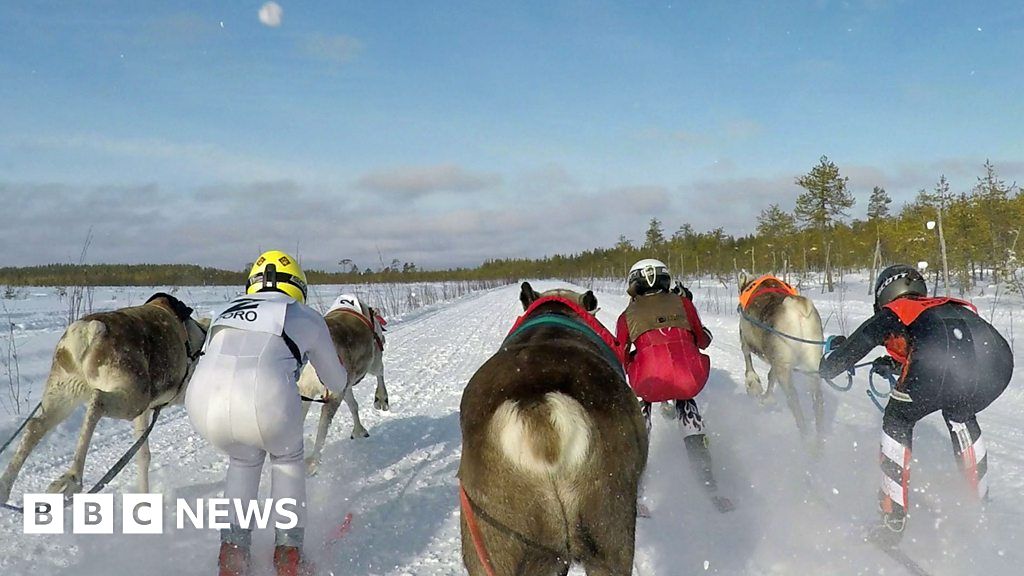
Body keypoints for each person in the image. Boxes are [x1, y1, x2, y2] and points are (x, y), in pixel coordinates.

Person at [819, 264, 1013, 545]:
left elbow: (839, 360)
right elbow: (949, 348)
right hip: (997, 366)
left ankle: (892, 520)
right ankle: (978, 507)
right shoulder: (943, 307)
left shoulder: (895, 311)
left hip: (942, 365)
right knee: (960, 413)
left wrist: (829, 360)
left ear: (885, 293)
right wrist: (896, 365)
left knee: (897, 419)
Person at [186, 250, 350, 576]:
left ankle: (233, 554)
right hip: (265, 401)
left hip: (204, 404)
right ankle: (288, 555)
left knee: (243, 459)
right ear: (298, 286)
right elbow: (336, 381)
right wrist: (337, 375)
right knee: (287, 458)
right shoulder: (305, 315)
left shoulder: (224, 310)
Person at [615, 259, 732, 512]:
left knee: (641, 417)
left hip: (647, 382)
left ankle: (635, 491)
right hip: (689, 377)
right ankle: (709, 485)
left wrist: (637, 358)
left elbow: (620, 354)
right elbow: (702, 341)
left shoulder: (626, 316)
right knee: (687, 408)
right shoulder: (684, 303)